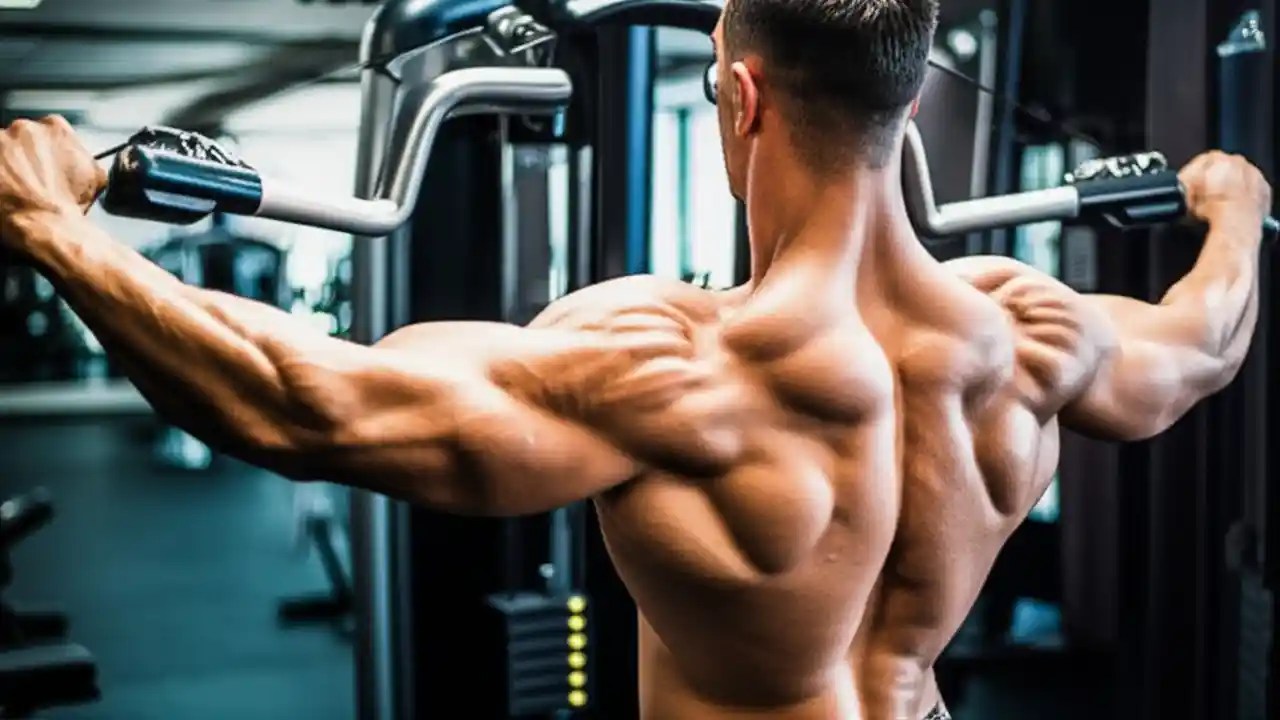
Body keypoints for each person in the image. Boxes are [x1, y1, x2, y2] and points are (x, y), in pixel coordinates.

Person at [0, 0, 1270, 716]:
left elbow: (307, 403)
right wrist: (1225, 205)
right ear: (904, 101)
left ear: (740, 96)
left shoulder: (679, 368)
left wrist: (56, 230)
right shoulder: (1023, 334)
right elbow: (1201, 342)